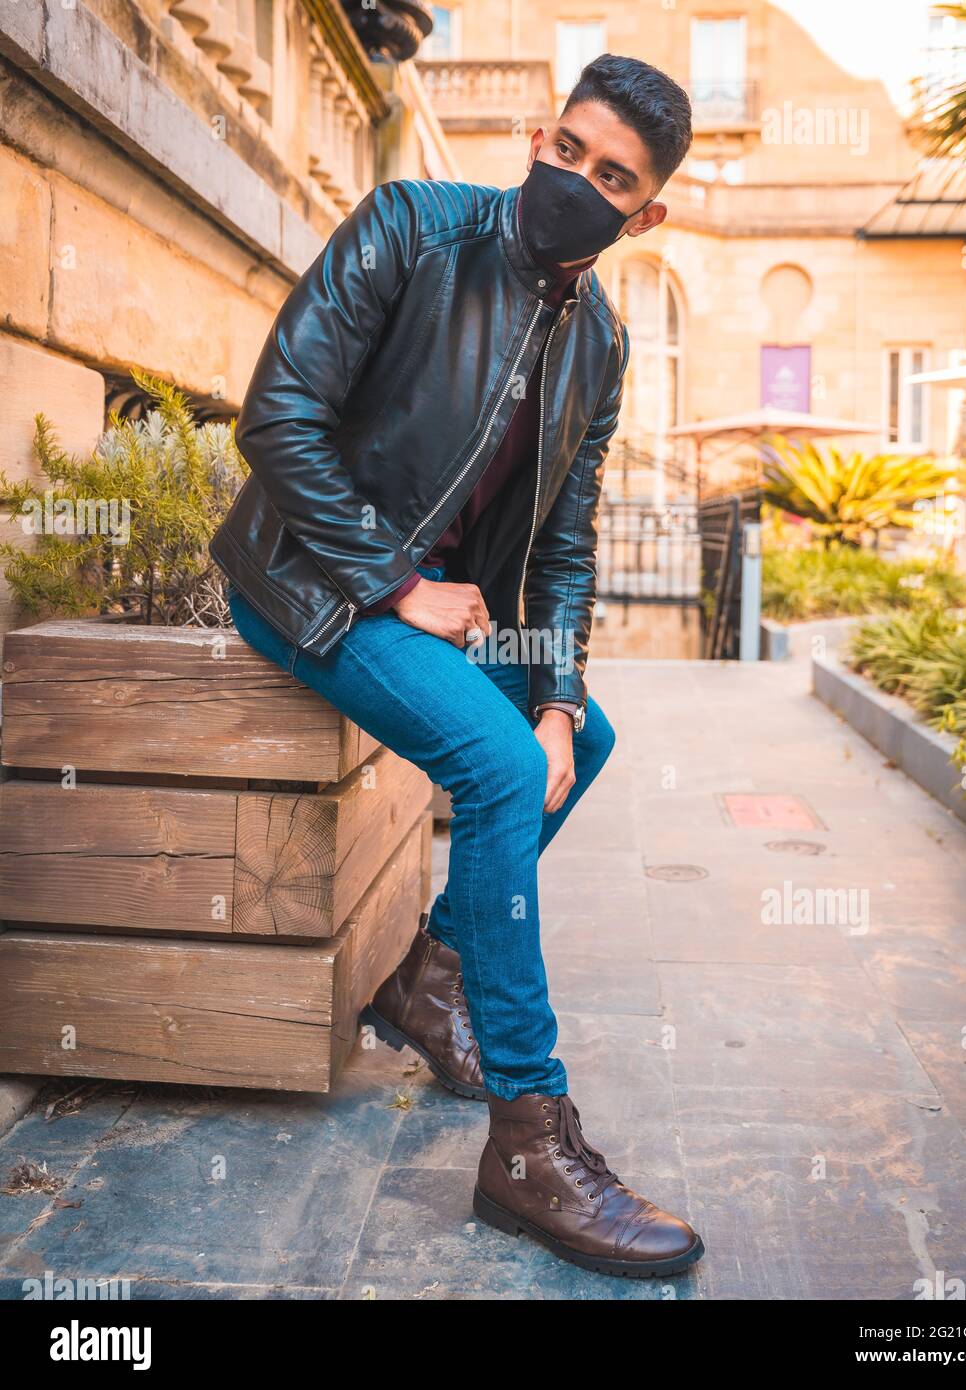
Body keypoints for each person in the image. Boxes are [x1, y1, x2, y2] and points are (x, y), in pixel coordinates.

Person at [210, 53, 704, 1279]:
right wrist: (396, 582)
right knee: (493, 772)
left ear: (644, 214)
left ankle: (432, 979)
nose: (575, 183)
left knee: (569, 742)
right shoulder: (413, 230)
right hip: (312, 583)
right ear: (539, 134)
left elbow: (570, 539)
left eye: (611, 179)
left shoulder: (598, 342)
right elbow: (274, 417)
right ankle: (529, 1144)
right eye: (567, 152)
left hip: (438, 612)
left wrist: (556, 691)